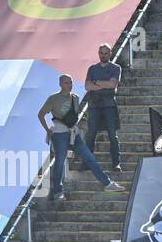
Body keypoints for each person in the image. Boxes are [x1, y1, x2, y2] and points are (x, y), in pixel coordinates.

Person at [36, 74, 121, 202]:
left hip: (73, 134)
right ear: (60, 84)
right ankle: (58, 192)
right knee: (59, 162)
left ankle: (107, 183)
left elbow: (75, 115)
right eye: (66, 83)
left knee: (89, 157)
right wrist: (48, 130)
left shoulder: (75, 97)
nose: (69, 85)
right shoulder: (53, 98)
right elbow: (41, 114)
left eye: (70, 82)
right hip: (59, 134)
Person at [84, 43, 122, 171]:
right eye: (101, 53)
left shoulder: (116, 68)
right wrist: (105, 85)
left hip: (109, 105)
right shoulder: (92, 68)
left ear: (110, 53)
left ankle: (116, 163)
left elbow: (113, 84)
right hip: (94, 105)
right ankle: (88, 163)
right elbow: (88, 86)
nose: (103, 55)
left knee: (112, 135)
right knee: (91, 134)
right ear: (98, 53)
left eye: (106, 53)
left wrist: (98, 82)